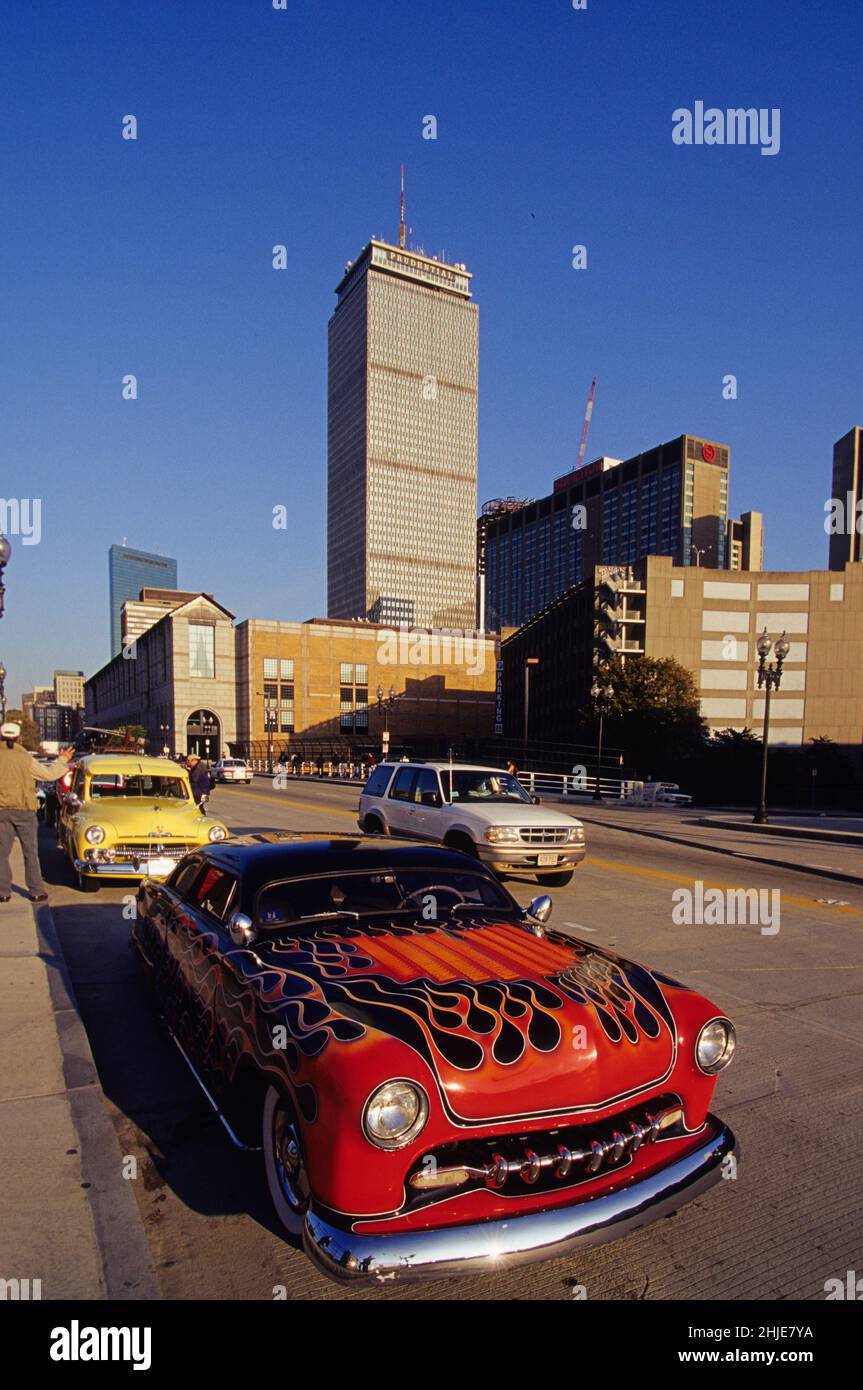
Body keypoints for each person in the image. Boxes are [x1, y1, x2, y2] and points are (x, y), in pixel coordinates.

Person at [0, 722, 74, 903]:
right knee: (30, 852)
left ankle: (3, 892)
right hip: (24, 810)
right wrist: (63, 759)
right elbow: (49, 775)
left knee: (1, 853)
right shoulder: (25, 758)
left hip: (2, 810)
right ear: (19, 738)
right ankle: (35, 891)